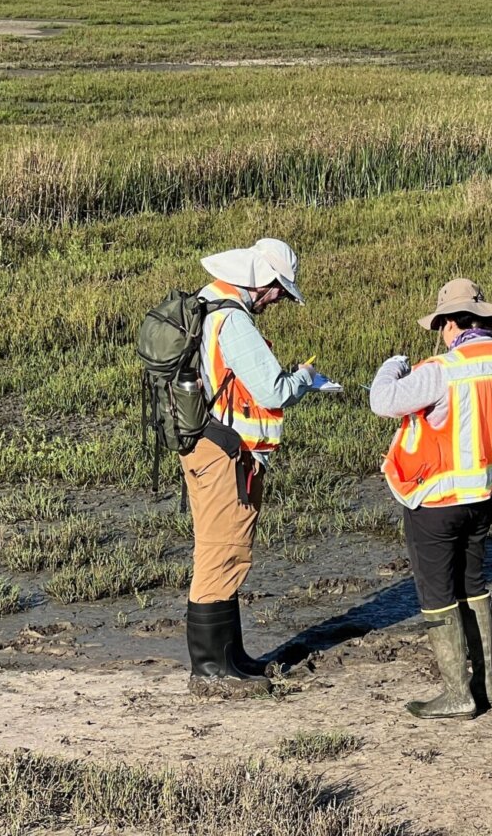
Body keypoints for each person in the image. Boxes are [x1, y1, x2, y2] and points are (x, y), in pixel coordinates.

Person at [184, 238, 338, 696]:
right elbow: (273, 392)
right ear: (263, 282)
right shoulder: (233, 320)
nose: (278, 301)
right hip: (224, 454)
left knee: (223, 548)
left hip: (212, 447)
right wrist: (306, 379)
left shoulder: (209, 304)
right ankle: (210, 669)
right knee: (221, 550)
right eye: (280, 292)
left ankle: (231, 656)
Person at [370, 279, 492, 718]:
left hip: (436, 500)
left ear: (453, 323)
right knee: (472, 586)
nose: (440, 333)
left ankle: (458, 695)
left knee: (437, 593)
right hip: (482, 497)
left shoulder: (443, 368)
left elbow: (383, 401)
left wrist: (392, 365)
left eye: (440, 324)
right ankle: (487, 686)